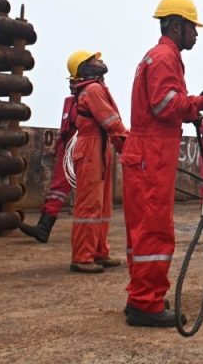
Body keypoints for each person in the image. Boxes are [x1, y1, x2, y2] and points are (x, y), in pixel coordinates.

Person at [122, 0, 203, 328]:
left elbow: (168, 103)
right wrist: (202, 102)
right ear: (177, 26)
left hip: (149, 151)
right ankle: (146, 305)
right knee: (154, 231)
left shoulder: (160, 56)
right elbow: (165, 104)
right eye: (193, 28)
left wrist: (194, 107)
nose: (196, 34)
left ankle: (142, 295)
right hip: (151, 153)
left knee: (143, 231)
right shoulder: (166, 56)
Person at [65, 50, 128, 274]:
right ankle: (82, 256)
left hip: (100, 149)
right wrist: (129, 145)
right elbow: (110, 121)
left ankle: (99, 251)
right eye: (94, 60)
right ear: (84, 67)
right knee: (89, 206)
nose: (100, 61)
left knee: (101, 206)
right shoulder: (92, 90)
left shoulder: (97, 88)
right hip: (91, 148)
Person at [18, 78, 83, 243]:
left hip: (84, 148)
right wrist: (56, 147)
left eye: (74, 82)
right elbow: (64, 127)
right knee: (57, 189)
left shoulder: (91, 98)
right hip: (67, 150)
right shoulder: (69, 102)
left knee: (88, 193)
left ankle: (89, 236)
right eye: (70, 82)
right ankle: (43, 228)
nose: (71, 85)